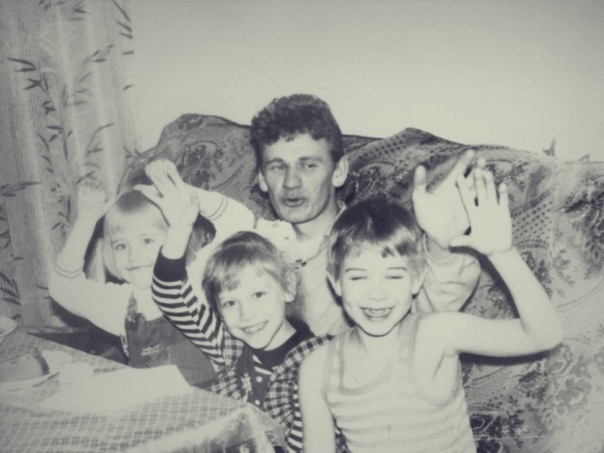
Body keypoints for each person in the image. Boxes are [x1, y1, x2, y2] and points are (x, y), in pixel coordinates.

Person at [298, 169, 564, 452]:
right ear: (336, 282)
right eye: (359, 277)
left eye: (394, 276)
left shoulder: (436, 335)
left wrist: (502, 253)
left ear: (417, 279)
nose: (376, 294)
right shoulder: (316, 368)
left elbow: (544, 335)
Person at [250, 93, 482, 335]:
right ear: (262, 178)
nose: (291, 182)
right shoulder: (252, 245)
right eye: (277, 167)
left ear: (339, 171)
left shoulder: (375, 238)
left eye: (308, 165)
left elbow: (431, 310)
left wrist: (441, 247)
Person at [144, 169, 329, 452]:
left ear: (288, 287)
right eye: (230, 303)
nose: (246, 315)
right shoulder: (229, 344)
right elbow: (168, 294)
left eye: (258, 294)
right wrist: (179, 228)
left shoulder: (318, 358)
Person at [48, 178, 252, 387]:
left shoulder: (199, 278)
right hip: (154, 405)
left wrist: (190, 197)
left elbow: (242, 223)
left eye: (147, 240)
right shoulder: (121, 304)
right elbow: (62, 287)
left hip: (215, 400)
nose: (133, 256)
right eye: (121, 246)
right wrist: (86, 221)